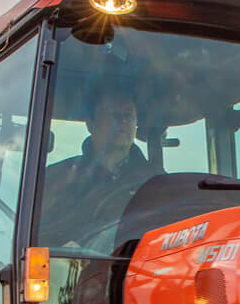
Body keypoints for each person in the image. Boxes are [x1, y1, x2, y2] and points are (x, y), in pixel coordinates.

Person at [34, 94, 158, 251]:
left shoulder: (157, 183)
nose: (123, 121)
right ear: (91, 124)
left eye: (128, 115)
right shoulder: (56, 178)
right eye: (113, 114)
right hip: (72, 269)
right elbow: (38, 238)